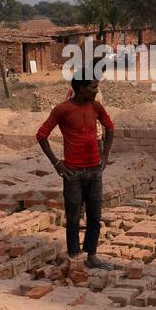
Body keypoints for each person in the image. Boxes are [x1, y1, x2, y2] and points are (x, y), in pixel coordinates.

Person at [36, 73, 117, 270]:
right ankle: (74, 254)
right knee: (73, 216)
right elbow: (41, 135)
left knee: (95, 216)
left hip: (94, 171)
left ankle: (92, 254)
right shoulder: (63, 109)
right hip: (72, 172)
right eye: (93, 87)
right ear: (81, 88)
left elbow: (110, 127)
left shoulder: (95, 106)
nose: (96, 91)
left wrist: (104, 156)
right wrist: (57, 163)